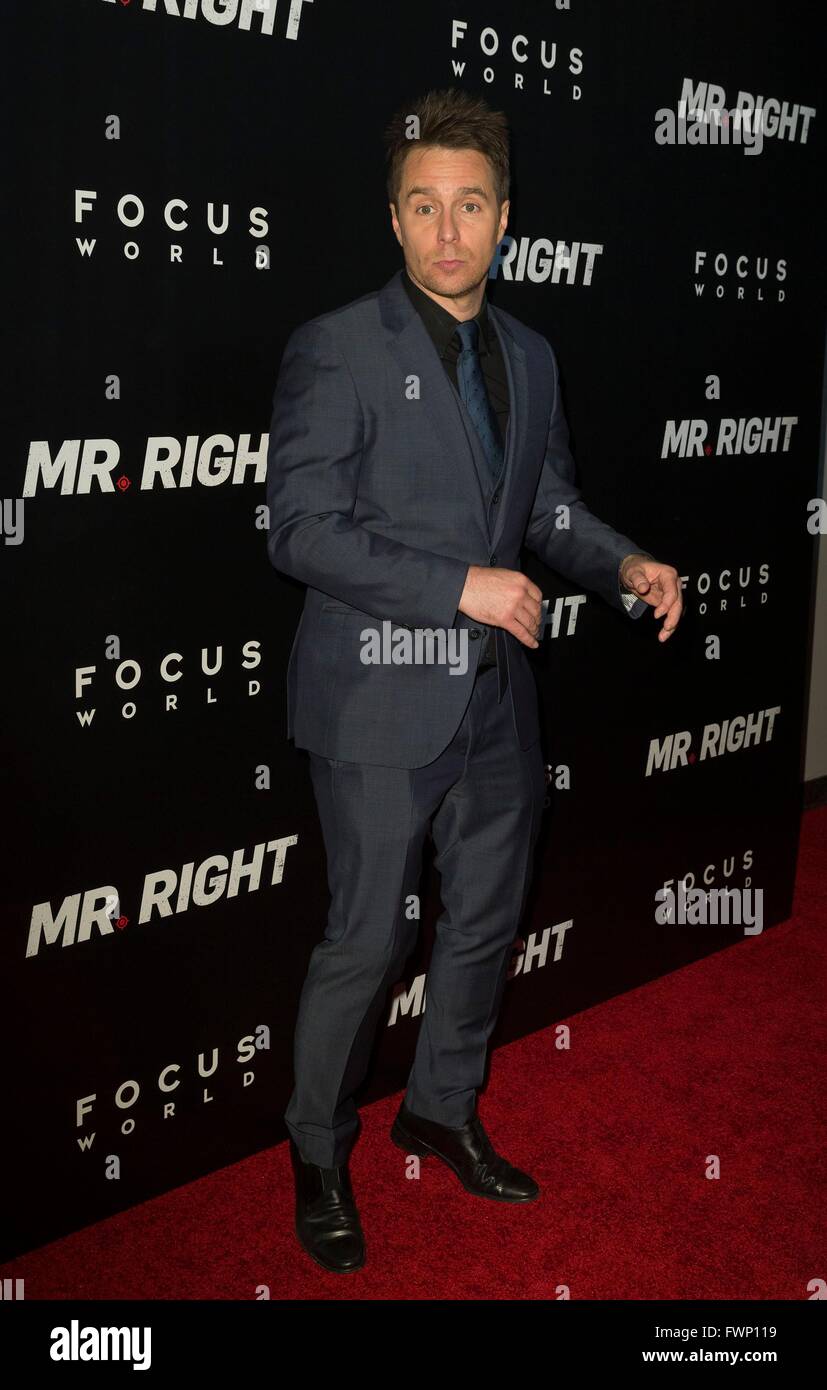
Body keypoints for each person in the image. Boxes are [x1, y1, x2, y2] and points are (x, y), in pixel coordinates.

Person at [265, 87, 682, 1273]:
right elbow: (298, 529)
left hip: (496, 700)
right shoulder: (336, 348)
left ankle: (440, 1106)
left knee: (482, 922)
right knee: (361, 941)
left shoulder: (532, 356)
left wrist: (623, 562)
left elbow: (546, 505)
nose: (447, 232)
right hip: (376, 704)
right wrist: (457, 584)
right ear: (392, 221)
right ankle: (315, 1150)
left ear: (503, 220)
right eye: (422, 207)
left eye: (470, 207)